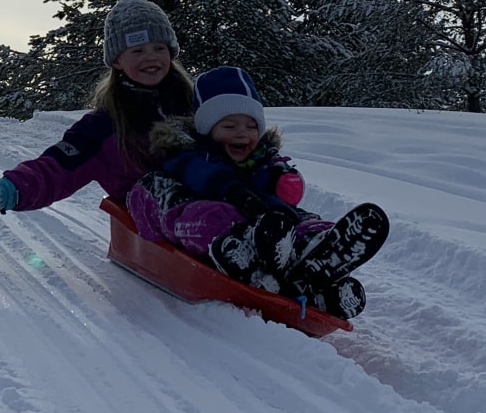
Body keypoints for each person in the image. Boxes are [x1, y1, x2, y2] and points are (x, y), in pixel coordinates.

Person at [127, 65, 388, 318]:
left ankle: (317, 262)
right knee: (212, 215)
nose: (242, 133)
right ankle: (242, 253)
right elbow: (199, 175)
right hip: (208, 214)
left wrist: (282, 178)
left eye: (251, 126)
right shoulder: (192, 154)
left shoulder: (263, 158)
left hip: (265, 224)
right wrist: (233, 191)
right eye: (229, 126)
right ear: (207, 129)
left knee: (305, 220)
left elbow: (279, 197)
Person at [0, 0, 192, 226]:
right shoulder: (102, 126)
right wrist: (5, 193)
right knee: (163, 189)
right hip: (159, 215)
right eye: (138, 50)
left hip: (211, 197)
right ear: (117, 61)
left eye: (159, 48)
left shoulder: (194, 102)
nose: (150, 57)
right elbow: (57, 168)